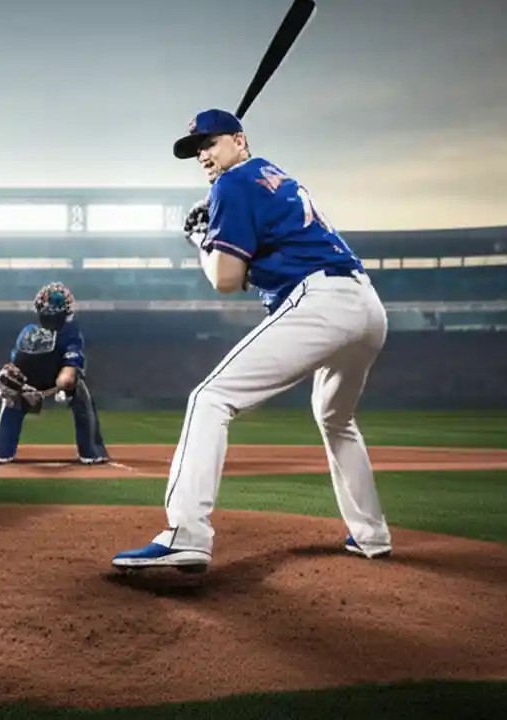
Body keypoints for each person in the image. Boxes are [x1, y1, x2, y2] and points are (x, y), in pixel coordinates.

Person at [112, 109, 391, 573]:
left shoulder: (233, 182)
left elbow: (225, 278)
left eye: (210, 143)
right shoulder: (273, 176)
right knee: (335, 417)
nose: (202, 154)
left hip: (320, 301)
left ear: (240, 140)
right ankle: (372, 534)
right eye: (196, 149)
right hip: (366, 306)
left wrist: (202, 240)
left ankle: (186, 534)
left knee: (211, 398)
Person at [0, 282, 109, 465]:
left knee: (80, 392)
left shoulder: (68, 334)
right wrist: (23, 390)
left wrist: (50, 391)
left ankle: (91, 451)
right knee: (3, 396)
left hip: (58, 386)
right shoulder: (29, 333)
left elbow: (67, 378)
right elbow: (14, 369)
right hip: (28, 386)